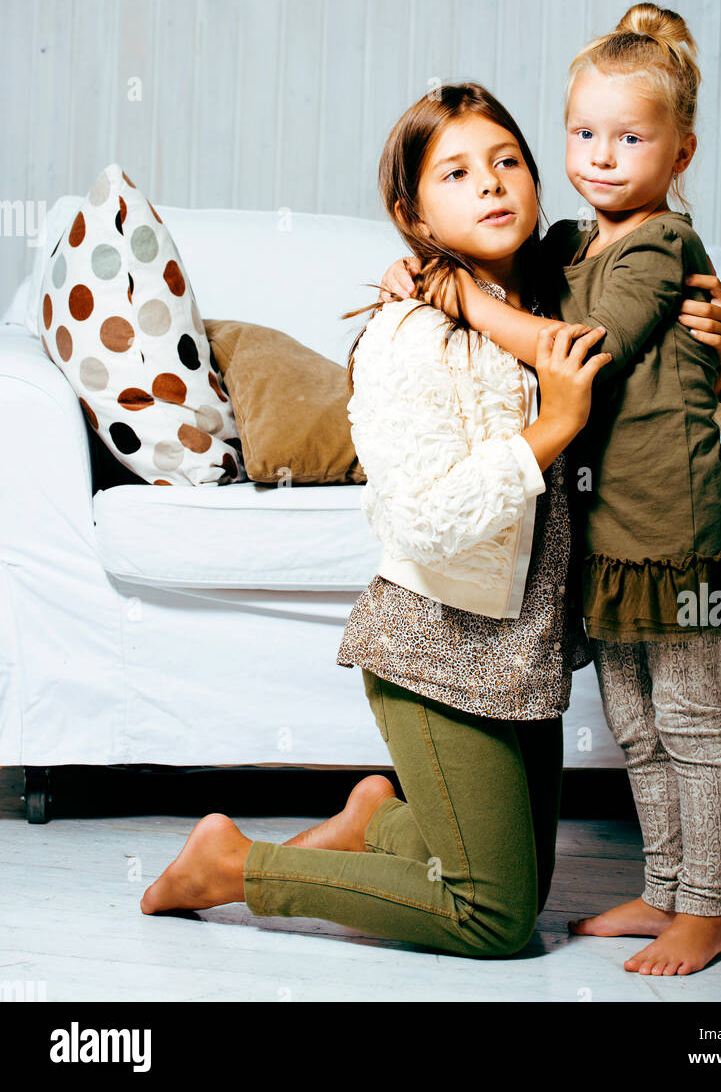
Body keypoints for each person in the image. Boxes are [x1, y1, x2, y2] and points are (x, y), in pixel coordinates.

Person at [141, 82, 611, 956]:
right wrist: (552, 427)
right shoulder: (409, 336)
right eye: (458, 172)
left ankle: (376, 820)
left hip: (525, 647)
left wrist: (718, 339)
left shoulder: (557, 300)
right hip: (436, 646)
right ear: (413, 213)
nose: (492, 184)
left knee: (522, 886)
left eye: (508, 161)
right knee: (493, 917)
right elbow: (424, 520)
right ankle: (237, 864)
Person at [378, 4, 721, 975]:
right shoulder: (570, 248)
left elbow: (580, 352)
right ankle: (666, 887)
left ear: (682, 153)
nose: (601, 155)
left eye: (630, 137)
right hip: (614, 536)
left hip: (676, 533)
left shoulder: (659, 248)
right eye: (583, 134)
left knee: (687, 721)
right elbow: (521, 290)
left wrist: (458, 292)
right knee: (636, 723)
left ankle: (710, 907)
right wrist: (424, 272)